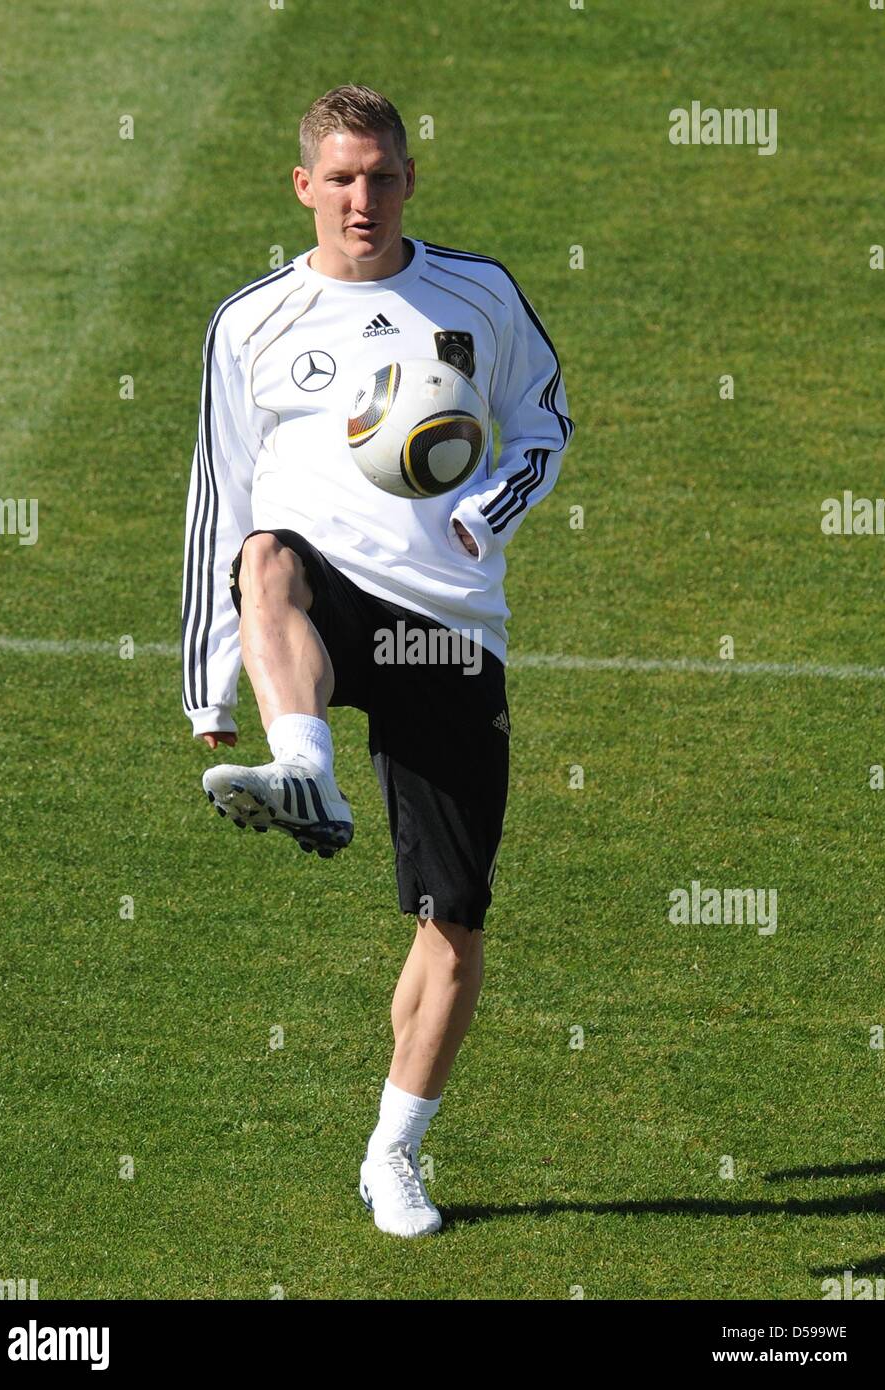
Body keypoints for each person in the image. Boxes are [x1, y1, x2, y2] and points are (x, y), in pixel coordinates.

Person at [180, 84, 574, 1237]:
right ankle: (303, 765)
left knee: (454, 926)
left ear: (411, 177)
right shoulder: (251, 322)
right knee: (268, 555)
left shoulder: (478, 293)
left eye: (384, 175)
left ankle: (391, 1155)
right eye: (341, 178)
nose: (364, 198)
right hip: (324, 597)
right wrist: (208, 682)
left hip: (449, 622)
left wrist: (482, 515)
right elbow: (221, 501)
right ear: (304, 186)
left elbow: (544, 424)